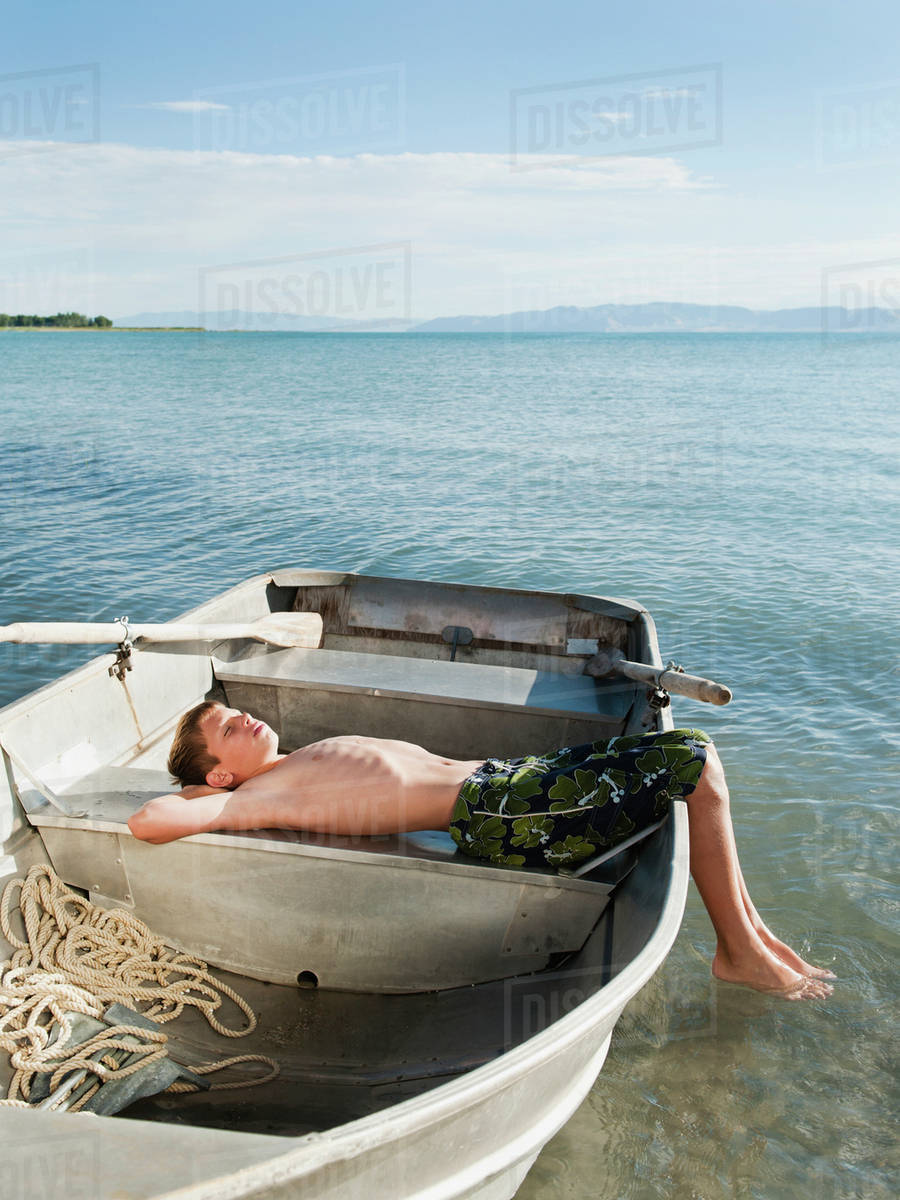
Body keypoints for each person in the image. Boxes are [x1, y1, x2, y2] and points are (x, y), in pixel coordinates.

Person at [128, 701, 835, 1000]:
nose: (243, 716)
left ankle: (756, 939)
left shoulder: (293, 762)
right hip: (499, 817)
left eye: (232, 710)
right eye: (226, 727)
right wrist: (200, 801)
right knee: (692, 763)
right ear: (219, 772)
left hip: (506, 784)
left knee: (695, 754)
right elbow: (148, 823)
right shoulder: (253, 798)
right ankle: (738, 954)